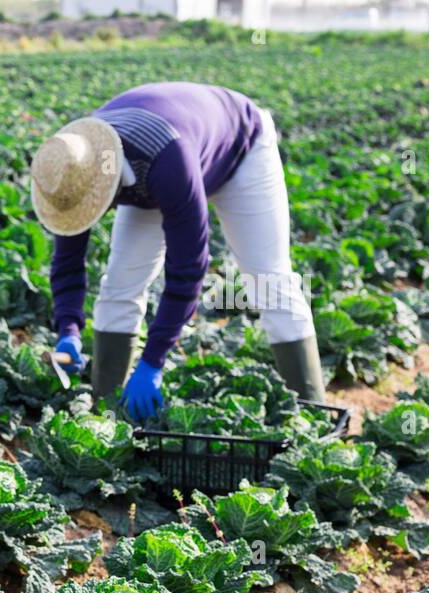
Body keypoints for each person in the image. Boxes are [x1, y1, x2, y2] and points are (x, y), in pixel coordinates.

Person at [31, 82, 324, 420]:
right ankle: (106, 414)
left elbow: (188, 267)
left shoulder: (169, 164)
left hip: (239, 149)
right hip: (152, 161)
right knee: (120, 282)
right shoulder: (73, 166)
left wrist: (153, 361)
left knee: (269, 281)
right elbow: (68, 260)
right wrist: (68, 329)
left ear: (106, 190)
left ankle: (313, 416)